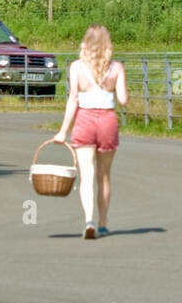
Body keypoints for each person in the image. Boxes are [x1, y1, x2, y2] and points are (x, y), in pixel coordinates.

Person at [54, 25, 127, 239]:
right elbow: (123, 99)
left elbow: (73, 100)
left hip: (85, 119)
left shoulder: (76, 67)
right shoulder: (116, 68)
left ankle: (89, 220)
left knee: (87, 175)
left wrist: (62, 132)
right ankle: (103, 223)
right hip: (107, 120)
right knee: (104, 177)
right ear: (107, 45)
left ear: (85, 43)